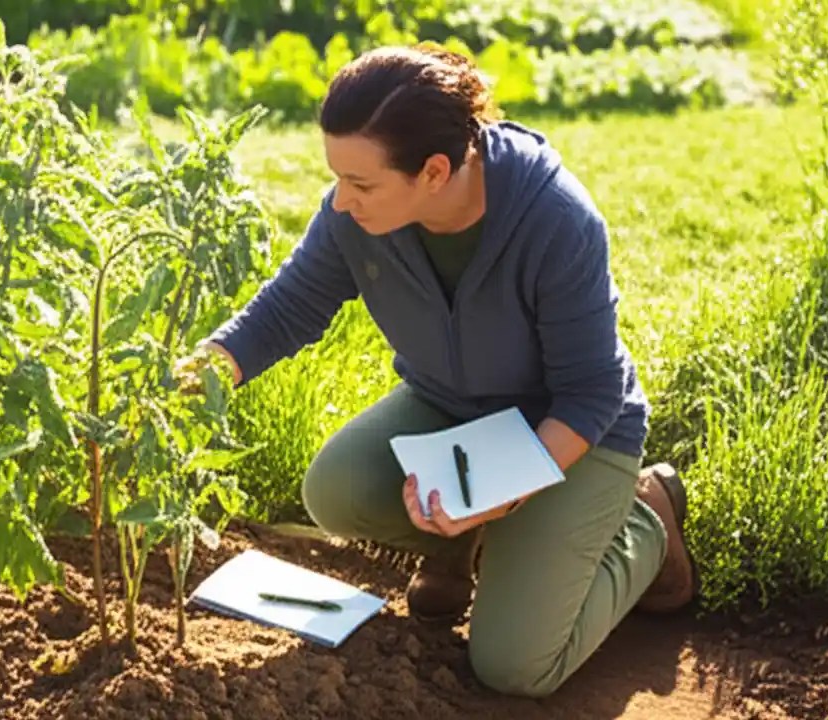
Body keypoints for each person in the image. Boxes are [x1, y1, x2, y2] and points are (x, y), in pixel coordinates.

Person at [175, 43, 698, 698]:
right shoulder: (358, 216)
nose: (340, 202)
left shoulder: (556, 222)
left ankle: (647, 519)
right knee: (335, 490)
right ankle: (466, 547)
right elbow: (288, 310)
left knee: (514, 666)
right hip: (452, 407)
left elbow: (591, 396)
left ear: (433, 171)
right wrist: (196, 374)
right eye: (337, 177)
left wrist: (501, 490)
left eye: (361, 184)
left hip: (572, 434)